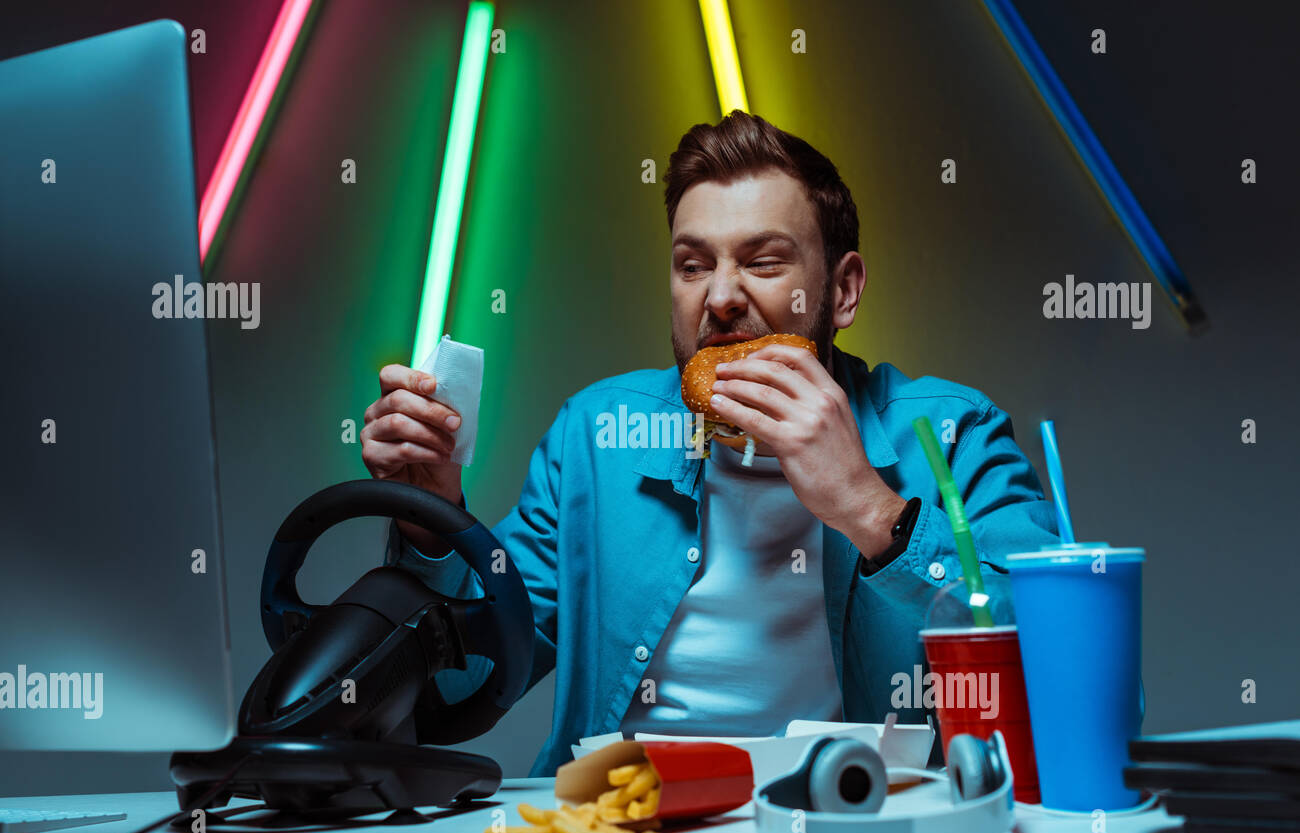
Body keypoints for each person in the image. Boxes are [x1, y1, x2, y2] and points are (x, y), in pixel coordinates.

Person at [361, 111, 1059, 775]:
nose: (720, 296)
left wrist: (872, 511)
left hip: (853, 832)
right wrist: (430, 527)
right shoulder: (593, 441)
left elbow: (1062, 675)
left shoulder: (953, 433)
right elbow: (457, 692)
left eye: (762, 261)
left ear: (842, 291)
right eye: (694, 265)